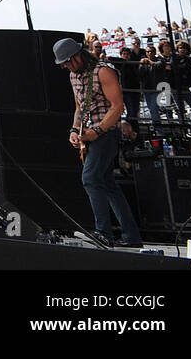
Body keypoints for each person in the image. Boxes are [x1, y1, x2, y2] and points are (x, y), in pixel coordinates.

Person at [53, 37, 142, 248]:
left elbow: (118, 107)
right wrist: (74, 129)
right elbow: (79, 107)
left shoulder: (103, 71)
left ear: (77, 56)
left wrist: (98, 131)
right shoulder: (73, 76)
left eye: (67, 61)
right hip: (90, 134)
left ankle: (103, 233)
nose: (65, 66)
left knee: (91, 178)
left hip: (107, 133)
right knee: (108, 184)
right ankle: (131, 236)